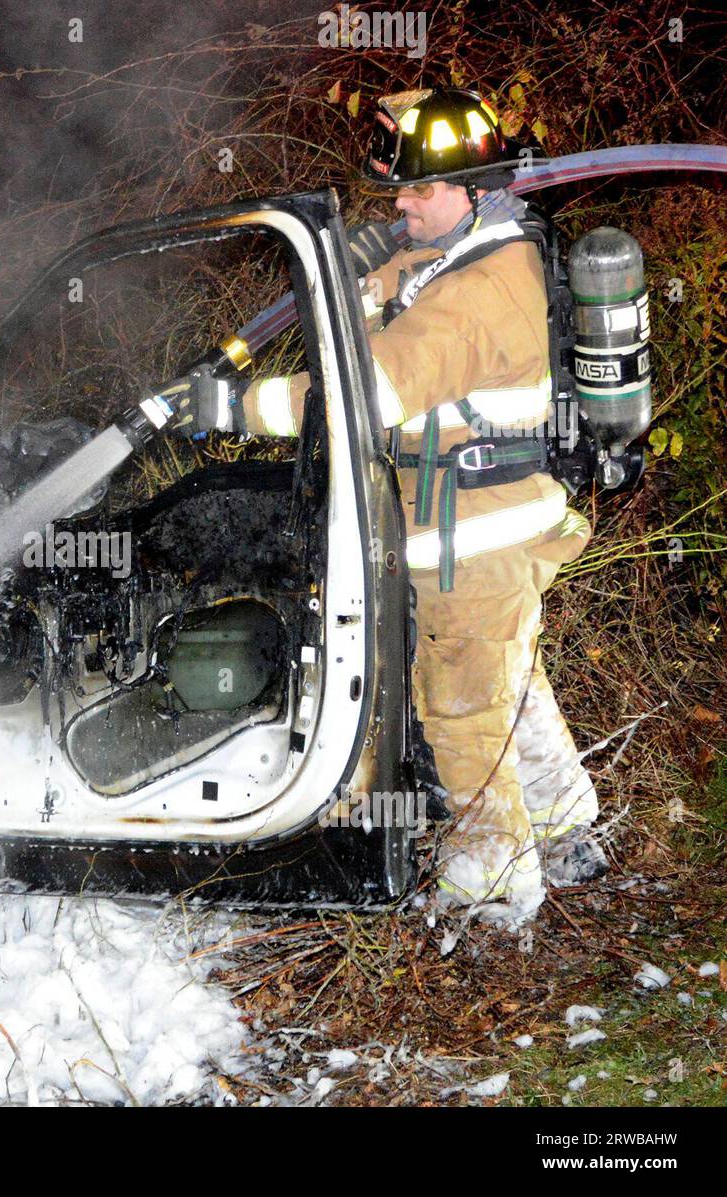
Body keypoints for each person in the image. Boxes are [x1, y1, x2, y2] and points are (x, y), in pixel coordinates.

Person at [182, 88, 607, 923]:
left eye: (419, 192)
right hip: (497, 528)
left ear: (475, 191)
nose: (403, 205)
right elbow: (398, 287)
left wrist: (233, 409)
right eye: (399, 192)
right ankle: (569, 830)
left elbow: (361, 390)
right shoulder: (475, 252)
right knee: (509, 679)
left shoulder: (480, 292)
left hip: (474, 540)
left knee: (459, 701)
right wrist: (357, 277)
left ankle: (494, 883)